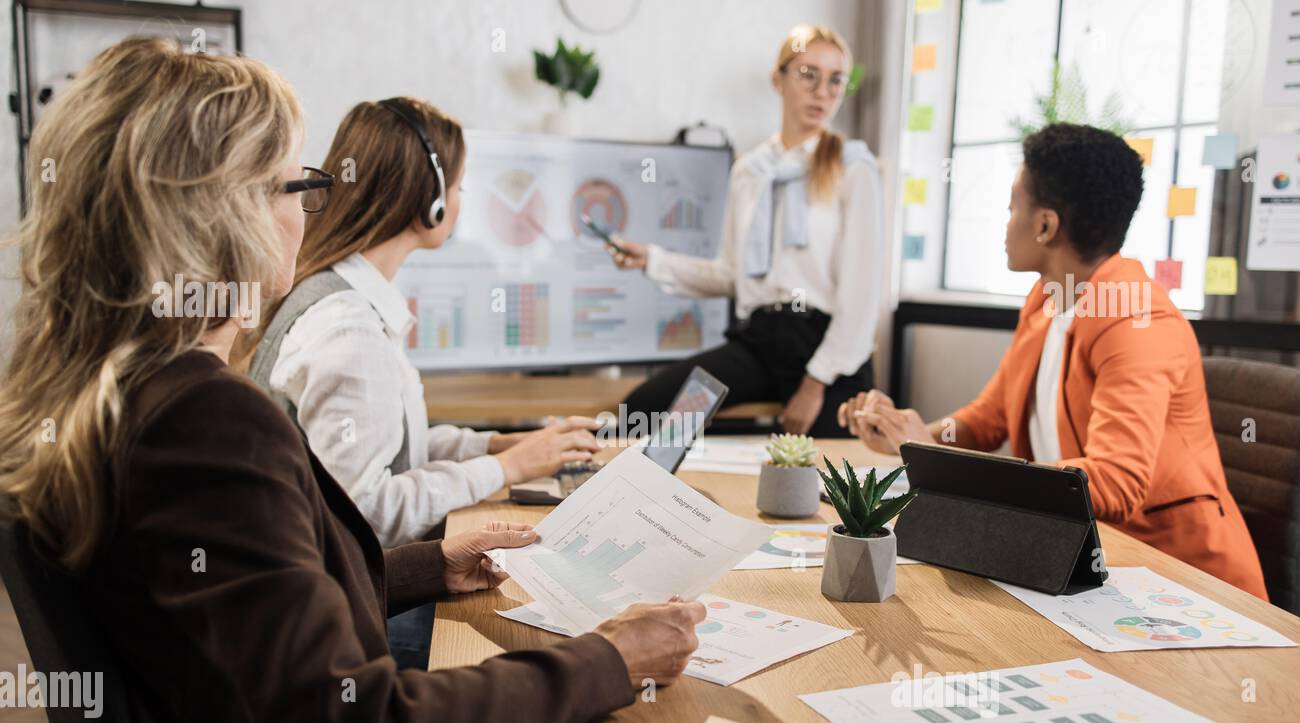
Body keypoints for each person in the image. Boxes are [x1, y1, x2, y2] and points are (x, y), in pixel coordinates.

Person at [0, 37, 703, 723]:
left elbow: (246, 607)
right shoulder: (203, 421)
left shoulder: (113, 391)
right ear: (220, 210)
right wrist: (610, 662)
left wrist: (423, 568)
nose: (307, 213)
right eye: (295, 185)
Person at [241, 96, 603, 667]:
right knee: (551, 633)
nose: (459, 201)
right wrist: (505, 470)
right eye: (457, 186)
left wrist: (494, 446)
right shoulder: (349, 331)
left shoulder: (344, 298)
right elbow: (368, 512)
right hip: (344, 628)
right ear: (430, 202)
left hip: (345, 594)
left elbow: (388, 448)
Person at [838, 123, 1267, 600]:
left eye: (1011, 208)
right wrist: (913, 436)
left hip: (1183, 584)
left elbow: (1117, 480)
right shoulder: (1047, 298)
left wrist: (937, 460)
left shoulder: (1137, 318)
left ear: (1044, 225)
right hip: (1077, 561)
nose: (1005, 223)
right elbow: (991, 417)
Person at [606, 23, 885, 437]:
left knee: (827, 484)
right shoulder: (750, 171)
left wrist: (814, 385)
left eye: (835, 80)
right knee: (642, 411)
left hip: (829, 352)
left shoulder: (853, 166)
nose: (822, 91)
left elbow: (862, 297)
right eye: (808, 74)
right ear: (779, 79)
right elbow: (731, 274)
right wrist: (654, 260)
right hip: (759, 343)